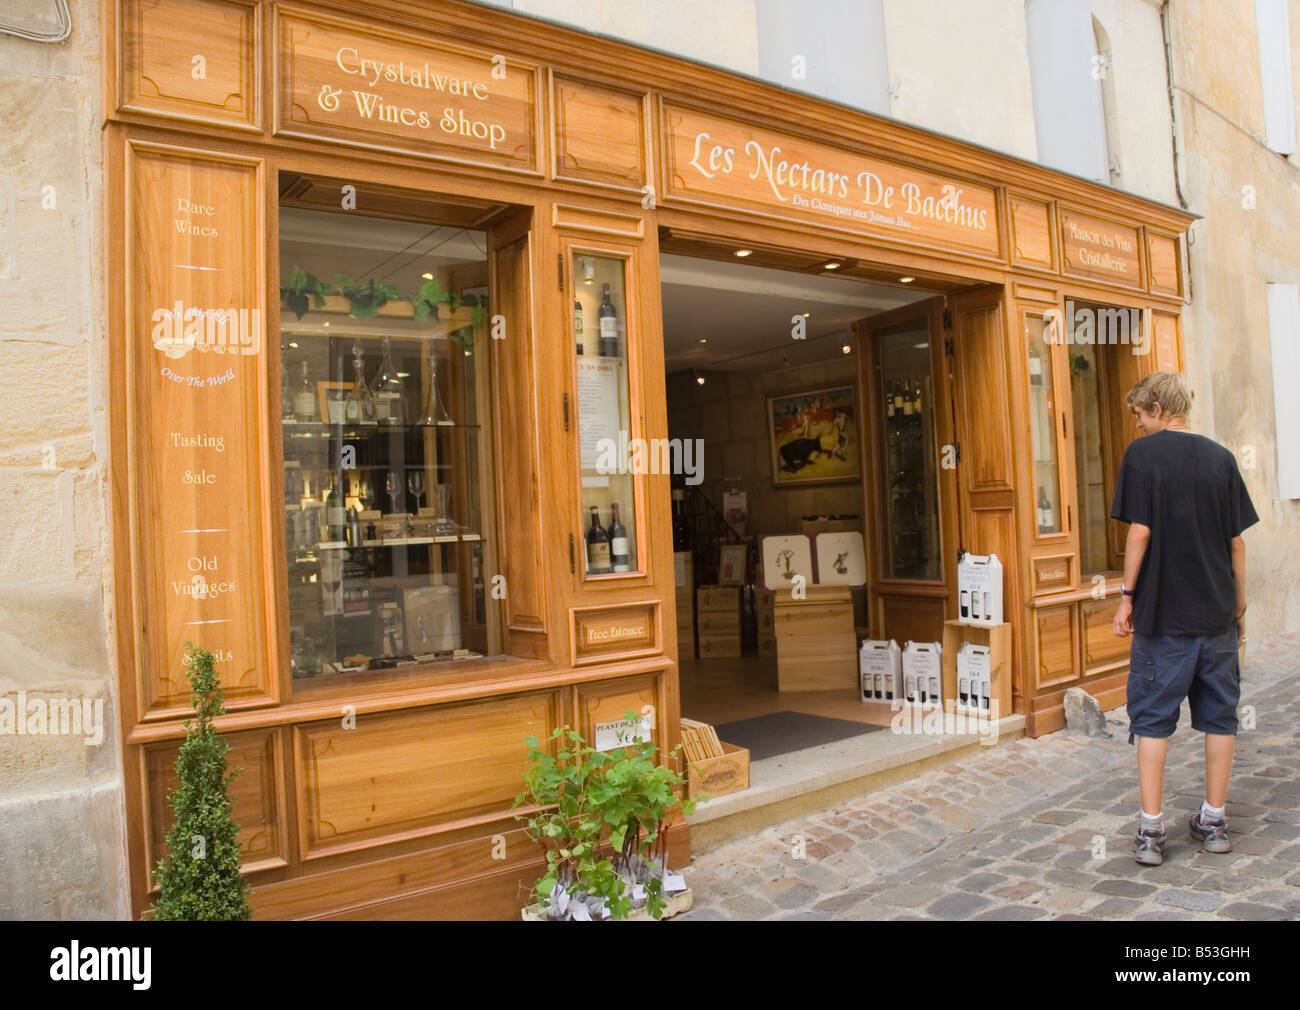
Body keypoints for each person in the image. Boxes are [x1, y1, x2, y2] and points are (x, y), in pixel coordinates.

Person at [1110, 372, 1257, 867]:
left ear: (1155, 407)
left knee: (1152, 721)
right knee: (1220, 719)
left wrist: (1126, 597)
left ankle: (1151, 832)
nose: (1138, 424)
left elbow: (1140, 533)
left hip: (1163, 617)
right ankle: (1214, 819)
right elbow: (1237, 542)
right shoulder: (1221, 458)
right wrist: (1238, 604)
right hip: (1215, 614)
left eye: (1138, 414)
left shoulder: (1142, 456)